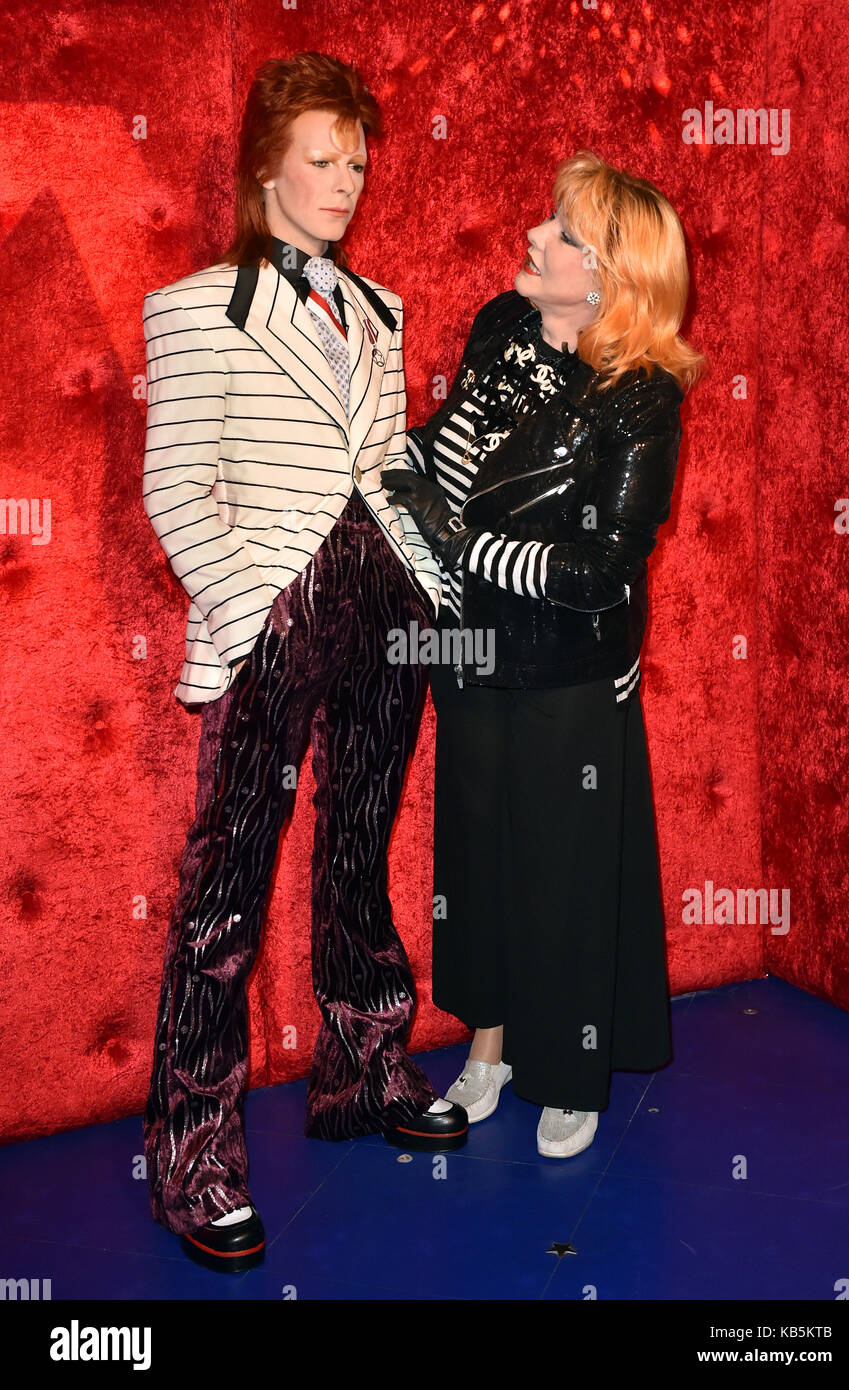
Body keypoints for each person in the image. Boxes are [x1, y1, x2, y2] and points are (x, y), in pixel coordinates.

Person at [140, 52, 467, 1275]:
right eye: (323, 159)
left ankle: (367, 1063)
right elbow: (174, 490)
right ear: (265, 163)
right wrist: (254, 607)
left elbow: (386, 468)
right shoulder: (192, 307)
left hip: (387, 607)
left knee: (360, 845)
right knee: (226, 887)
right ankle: (193, 1151)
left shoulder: (379, 306)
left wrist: (432, 595)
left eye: (359, 162)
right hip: (270, 615)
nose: (345, 181)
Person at [382, 151, 705, 1160]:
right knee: (476, 857)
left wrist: (463, 541)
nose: (535, 235)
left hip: (570, 669)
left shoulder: (641, 395)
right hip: (472, 648)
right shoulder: (500, 324)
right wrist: (385, 454)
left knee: (562, 872)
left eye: (563, 233)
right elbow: (454, 452)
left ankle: (571, 1070)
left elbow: (601, 569)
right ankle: (489, 1048)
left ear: (608, 275)